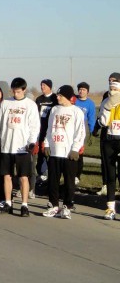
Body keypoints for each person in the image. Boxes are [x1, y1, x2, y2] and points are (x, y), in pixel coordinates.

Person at [0, 77, 40, 217]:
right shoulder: (6, 103)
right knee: (7, 176)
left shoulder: (30, 105)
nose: (15, 94)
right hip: (7, 145)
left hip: (22, 147)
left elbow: (35, 126)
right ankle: (8, 203)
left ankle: (24, 205)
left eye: (18, 92)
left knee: (23, 177)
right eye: (13, 91)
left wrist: (31, 142)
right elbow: (0, 123)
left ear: (24, 90)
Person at [42, 85, 85, 219]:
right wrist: (47, 144)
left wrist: (75, 149)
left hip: (68, 153)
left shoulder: (76, 111)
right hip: (55, 151)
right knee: (53, 181)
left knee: (69, 181)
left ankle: (67, 206)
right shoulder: (54, 109)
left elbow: (80, 132)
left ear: (67, 96)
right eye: (57, 95)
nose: (57, 97)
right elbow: (49, 129)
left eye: (60, 95)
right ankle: (54, 205)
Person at [98, 73, 120, 219]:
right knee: (110, 176)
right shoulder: (107, 99)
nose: (111, 83)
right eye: (109, 81)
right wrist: (107, 106)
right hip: (108, 139)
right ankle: (110, 208)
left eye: (115, 81)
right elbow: (103, 122)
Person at [35, 79, 58, 194]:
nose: (42, 87)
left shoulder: (54, 98)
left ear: (49, 87)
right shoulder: (39, 99)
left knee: (49, 152)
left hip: (51, 129)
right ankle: (41, 174)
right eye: (41, 85)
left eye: (44, 85)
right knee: (40, 152)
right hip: (40, 129)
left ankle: (50, 175)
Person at [74, 82, 96, 185]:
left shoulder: (90, 104)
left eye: (83, 89)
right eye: (80, 89)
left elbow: (91, 118)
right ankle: (70, 173)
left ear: (87, 91)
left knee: (79, 152)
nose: (81, 91)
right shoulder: (74, 100)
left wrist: (92, 132)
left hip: (83, 129)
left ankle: (77, 175)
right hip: (71, 129)